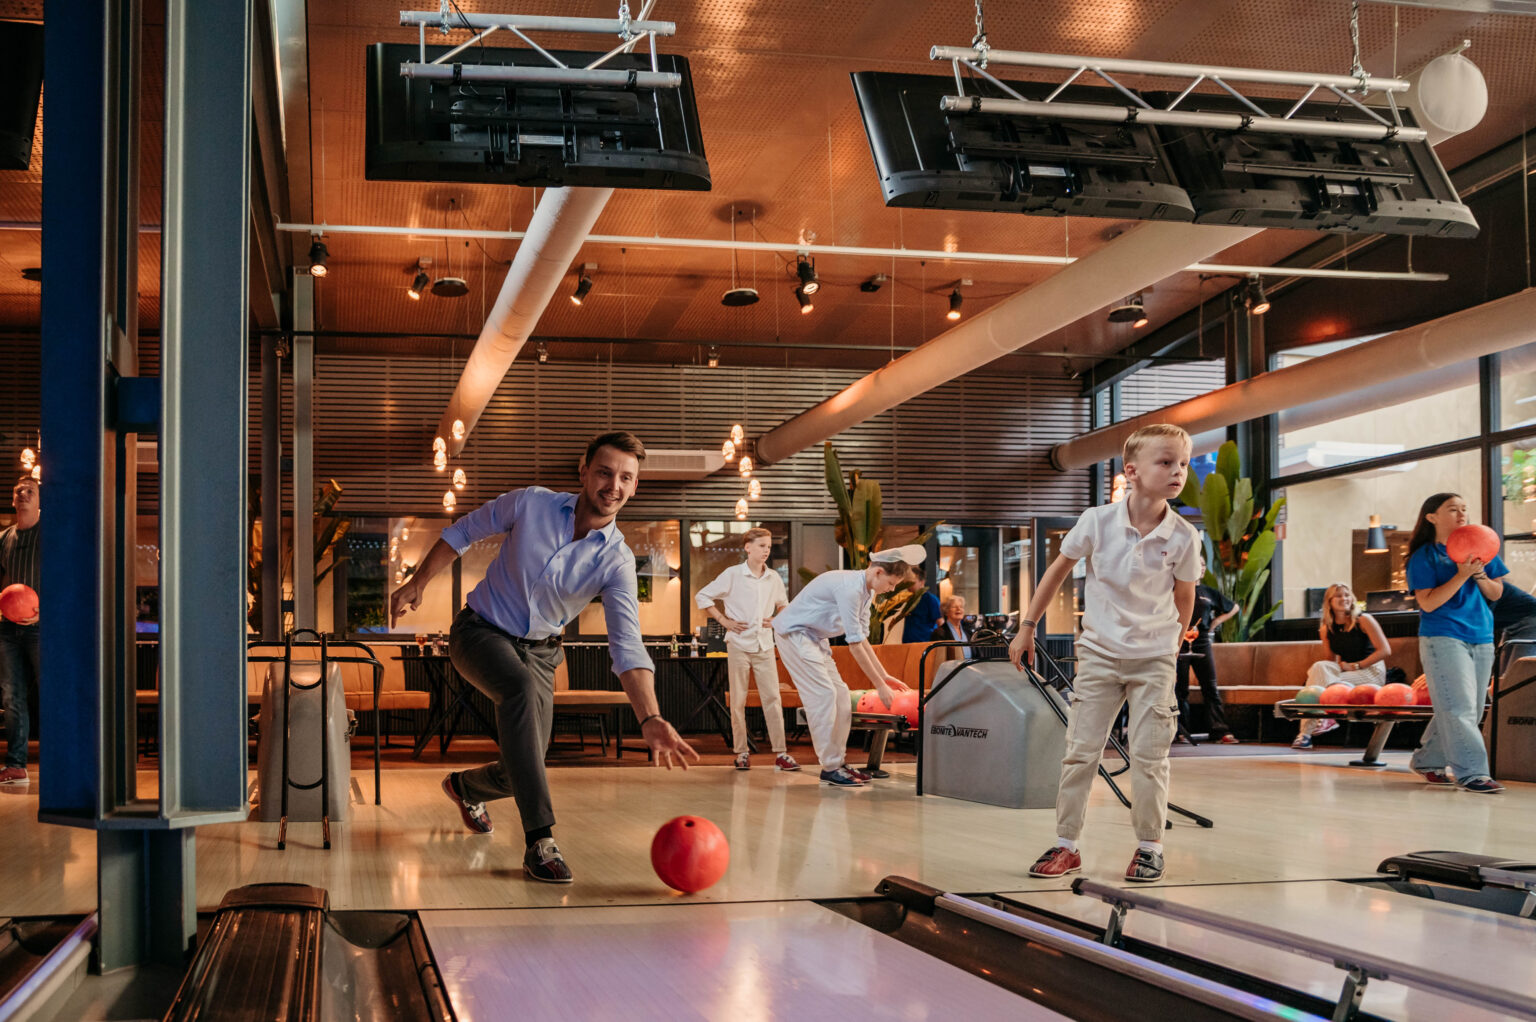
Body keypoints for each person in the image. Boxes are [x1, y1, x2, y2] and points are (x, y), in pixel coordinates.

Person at [389, 432, 698, 883]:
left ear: (635, 487)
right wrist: (418, 582)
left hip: (539, 654)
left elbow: (626, 644)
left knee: (524, 764)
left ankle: (465, 786)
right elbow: (463, 532)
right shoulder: (530, 503)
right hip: (479, 632)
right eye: (605, 472)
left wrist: (650, 717)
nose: (613, 485)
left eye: (625, 478)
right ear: (584, 470)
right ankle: (540, 841)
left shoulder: (616, 562)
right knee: (516, 699)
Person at [1010, 424, 1200, 883]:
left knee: (1150, 755)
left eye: (1183, 463)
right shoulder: (1096, 522)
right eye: (1166, 462)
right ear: (1131, 471)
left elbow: (1184, 596)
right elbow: (1055, 573)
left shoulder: (1183, 536)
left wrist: (1171, 649)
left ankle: (1150, 847)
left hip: (1154, 658)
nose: (1177, 472)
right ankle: (1066, 845)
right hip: (1098, 654)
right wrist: (1026, 627)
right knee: (1080, 753)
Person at [772, 546, 922, 786]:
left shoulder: (866, 592)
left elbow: (861, 638)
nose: (892, 589)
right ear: (878, 572)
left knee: (841, 695)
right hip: (794, 634)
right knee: (823, 694)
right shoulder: (850, 589)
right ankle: (830, 767)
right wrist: (878, 685)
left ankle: (838, 763)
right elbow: (853, 644)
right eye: (892, 583)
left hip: (814, 638)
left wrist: (884, 676)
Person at [1405, 492, 1506, 794]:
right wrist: (1461, 576)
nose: (1461, 514)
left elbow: (1496, 593)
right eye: (1452, 509)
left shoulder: (1483, 548)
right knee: (1459, 708)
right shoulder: (1424, 556)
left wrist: (1479, 576)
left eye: (1464, 508)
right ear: (1431, 517)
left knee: (1468, 709)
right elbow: (1430, 603)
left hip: (1482, 635)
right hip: (1443, 636)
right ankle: (1472, 774)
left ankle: (1427, 760)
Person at [695, 527, 797, 772]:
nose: (766, 551)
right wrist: (724, 621)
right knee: (738, 700)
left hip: (764, 645)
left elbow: (784, 605)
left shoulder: (773, 578)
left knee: (772, 698)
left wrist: (777, 620)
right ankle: (741, 753)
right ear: (747, 547)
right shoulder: (732, 575)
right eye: (762, 546)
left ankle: (781, 753)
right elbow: (703, 596)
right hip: (738, 645)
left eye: (769, 547)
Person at [1292, 582, 1392, 749]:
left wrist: (1357, 666)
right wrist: (1326, 677)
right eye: (1338, 596)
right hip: (1345, 672)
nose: (1344, 598)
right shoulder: (1326, 629)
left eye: (1346, 595)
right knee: (1319, 667)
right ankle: (1320, 722)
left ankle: (1307, 733)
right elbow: (1329, 662)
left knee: (1321, 677)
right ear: (1329, 602)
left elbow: (1385, 650)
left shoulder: (1364, 620)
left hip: (1370, 671)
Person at [0, 476, 40, 785]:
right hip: (7, 630)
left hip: (43, 629)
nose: (23, 495)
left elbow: (68, 579)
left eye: (30, 491)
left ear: (39, 500)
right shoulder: (4, 538)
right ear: (13, 501)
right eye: (19, 492)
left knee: (52, 694)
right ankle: (15, 765)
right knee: (12, 696)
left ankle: (61, 762)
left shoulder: (50, 535)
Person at [1176, 559, 1239, 745]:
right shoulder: (1176, 590)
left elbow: (1234, 607)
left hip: (1201, 640)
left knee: (1210, 686)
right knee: (1180, 689)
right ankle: (1181, 732)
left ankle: (1219, 731)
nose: (1202, 567)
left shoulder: (1208, 593)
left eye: (1204, 565)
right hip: (1179, 640)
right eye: (1199, 563)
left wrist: (1216, 623)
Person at [1492, 579, 1536, 671]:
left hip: (1531, 620)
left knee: (1518, 672)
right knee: (1501, 675)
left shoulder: (1488, 585)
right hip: (1510, 623)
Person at [900, 563, 941, 643]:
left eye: (912, 582)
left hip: (924, 643)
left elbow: (940, 622)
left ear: (922, 582)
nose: (908, 585)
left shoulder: (930, 599)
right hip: (908, 643)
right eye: (907, 582)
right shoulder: (909, 599)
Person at [929, 594, 975, 658]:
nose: (958, 609)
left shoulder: (969, 632)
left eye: (961, 607)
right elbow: (938, 658)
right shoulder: (939, 633)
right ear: (946, 611)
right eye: (954, 607)